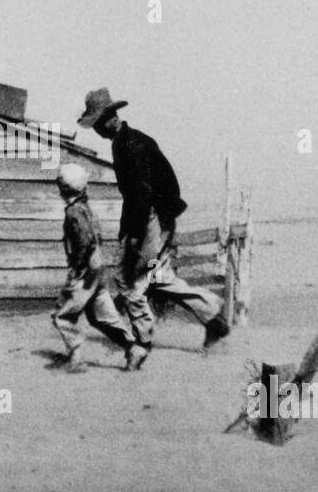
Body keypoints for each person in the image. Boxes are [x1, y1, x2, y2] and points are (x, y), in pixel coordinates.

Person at [77, 88, 229, 371]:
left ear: (110, 118)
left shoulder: (133, 145)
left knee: (132, 281)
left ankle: (142, 343)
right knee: (160, 277)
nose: (96, 130)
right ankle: (212, 316)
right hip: (152, 217)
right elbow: (137, 195)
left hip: (150, 218)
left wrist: (135, 237)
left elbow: (143, 195)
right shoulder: (122, 142)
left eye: (97, 123)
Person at [50, 163, 137, 369]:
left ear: (62, 189)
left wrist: (79, 266)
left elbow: (85, 240)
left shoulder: (73, 212)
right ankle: (133, 348)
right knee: (103, 317)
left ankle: (76, 358)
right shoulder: (87, 209)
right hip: (97, 272)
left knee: (63, 315)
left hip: (84, 273)